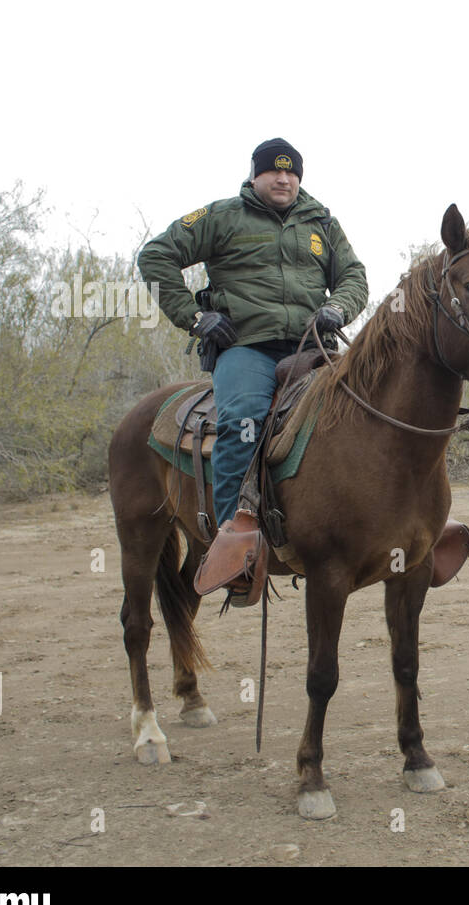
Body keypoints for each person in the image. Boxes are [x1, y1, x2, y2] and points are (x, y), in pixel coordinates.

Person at [138, 137, 368, 594]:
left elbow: (354, 276)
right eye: (273, 171)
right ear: (255, 175)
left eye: (291, 172)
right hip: (247, 347)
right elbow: (155, 256)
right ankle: (235, 547)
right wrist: (197, 318)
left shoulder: (322, 221)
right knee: (242, 420)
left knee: (368, 412)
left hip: (312, 347)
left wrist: (338, 309)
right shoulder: (222, 216)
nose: (283, 179)